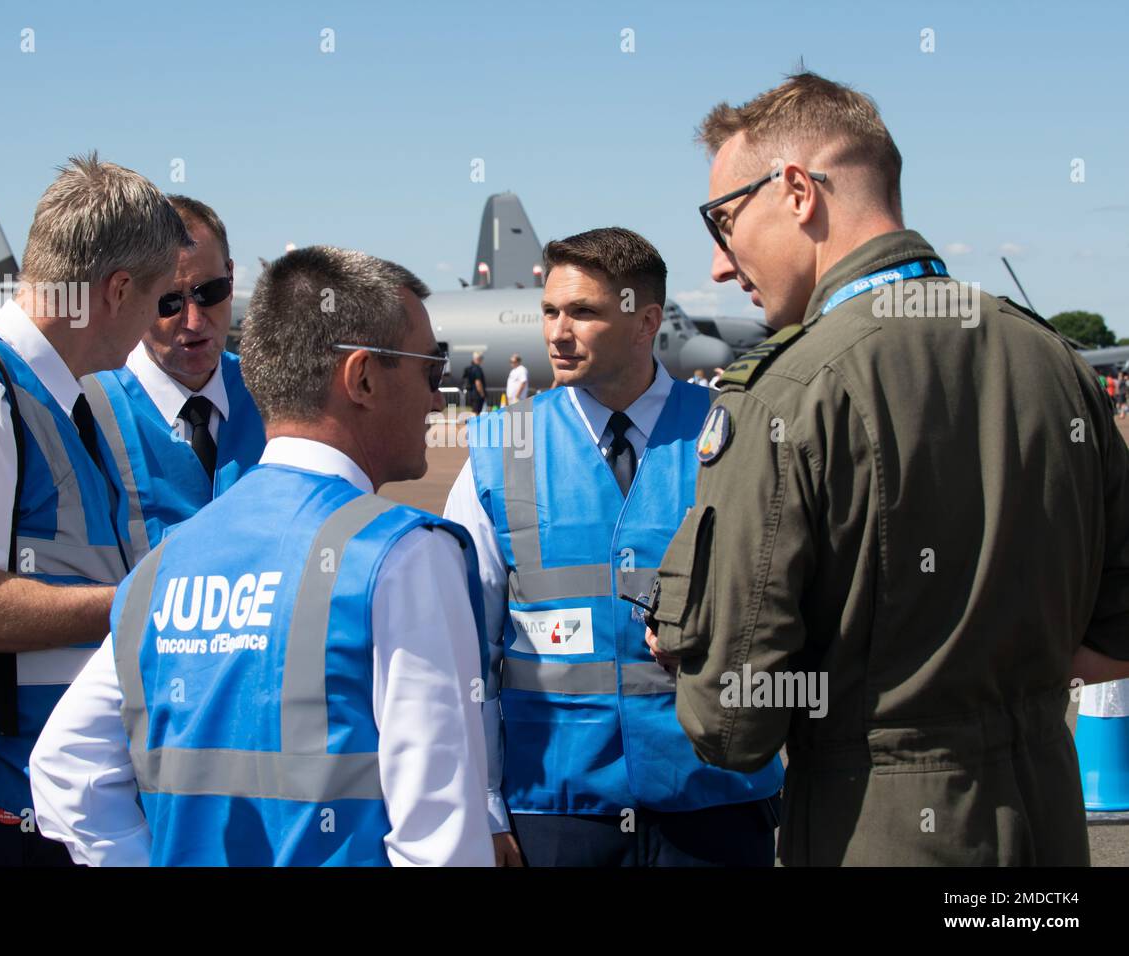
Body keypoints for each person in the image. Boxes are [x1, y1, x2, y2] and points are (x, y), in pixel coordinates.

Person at [647, 71, 1129, 865]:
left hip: (876, 827)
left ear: (797, 191)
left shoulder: (788, 393)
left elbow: (732, 725)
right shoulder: (1055, 361)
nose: (722, 264)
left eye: (723, 221)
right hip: (1047, 832)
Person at [30, 246, 494, 866]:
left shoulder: (166, 564)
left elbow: (67, 768)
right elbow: (441, 841)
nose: (436, 399)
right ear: (360, 378)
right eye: (428, 368)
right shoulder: (402, 556)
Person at [0, 153, 189, 866]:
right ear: (117, 291)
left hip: (56, 803)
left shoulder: (59, 397)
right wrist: (135, 607)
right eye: (162, 300)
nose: (163, 323)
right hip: (0, 813)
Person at [445, 227, 783, 868]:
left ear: (644, 321)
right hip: (559, 810)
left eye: (583, 312)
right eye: (550, 311)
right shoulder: (498, 450)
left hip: (717, 801)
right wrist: (485, 806)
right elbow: (468, 651)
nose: (556, 332)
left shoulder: (733, 436)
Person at [80, 196, 266, 562]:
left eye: (210, 292)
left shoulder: (271, 397)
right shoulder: (84, 410)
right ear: (128, 297)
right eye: (168, 302)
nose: (194, 322)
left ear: (230, 275)